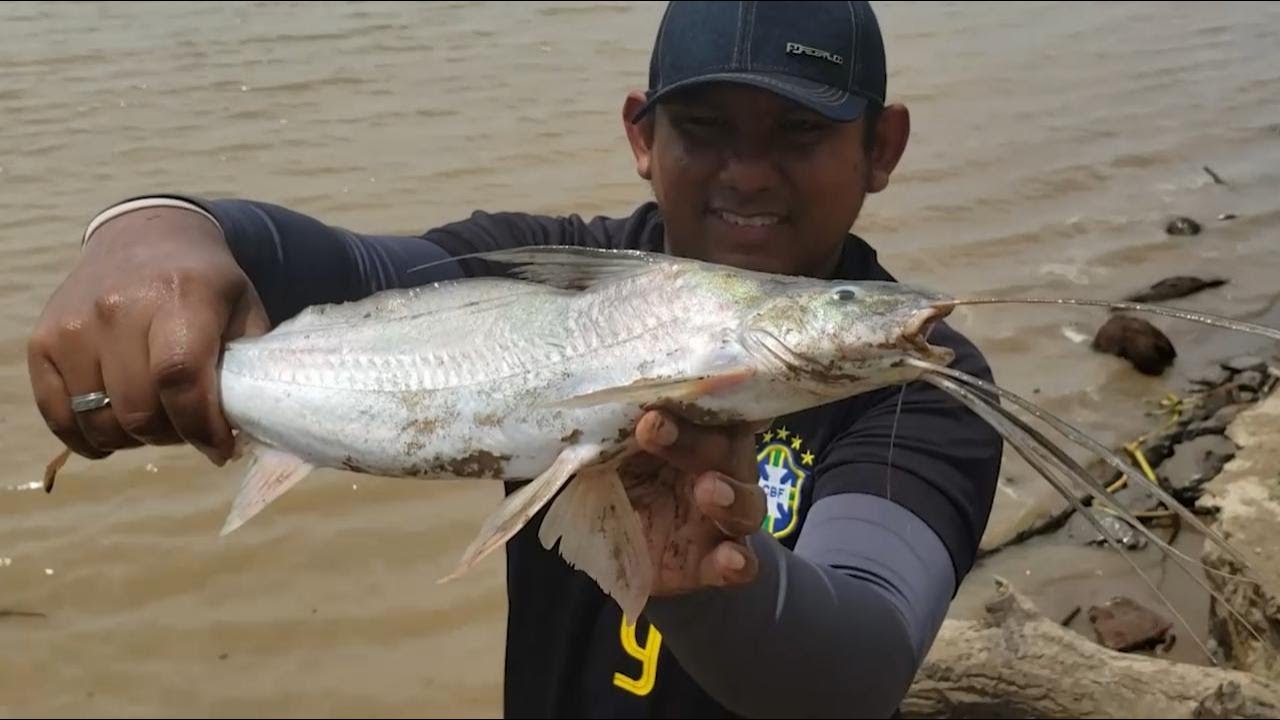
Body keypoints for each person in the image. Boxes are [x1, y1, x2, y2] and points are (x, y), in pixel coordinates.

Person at [27, 1, 1003, 717]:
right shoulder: (544, 272)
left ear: (882, 146)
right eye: (703, 128)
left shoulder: (921, 384)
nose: (747, 172)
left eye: (800, 132)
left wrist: (717, 587)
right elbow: (332, 263)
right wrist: (154, 231)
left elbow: (858, 670)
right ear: (639, 135)